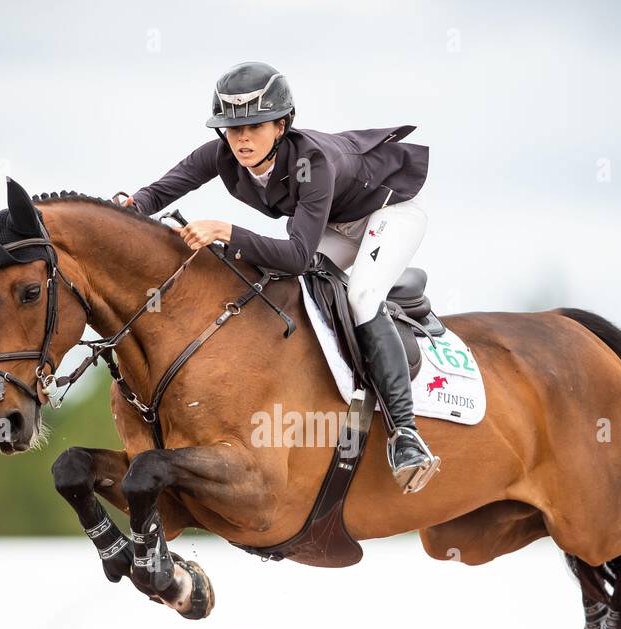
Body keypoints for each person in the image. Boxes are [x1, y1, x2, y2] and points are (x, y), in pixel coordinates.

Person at [119, 61, 439, 493]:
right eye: (233, 129)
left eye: (254, 126)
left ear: (281, 124)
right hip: (334, 224)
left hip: (388, 215)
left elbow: (297, 255)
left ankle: (406, 435)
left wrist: (226, 231)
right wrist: (129, 205)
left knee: (361, 295)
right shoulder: (222, 154)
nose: (242, 139)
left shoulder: (313, 162)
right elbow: (163, 190)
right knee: (296, 292)